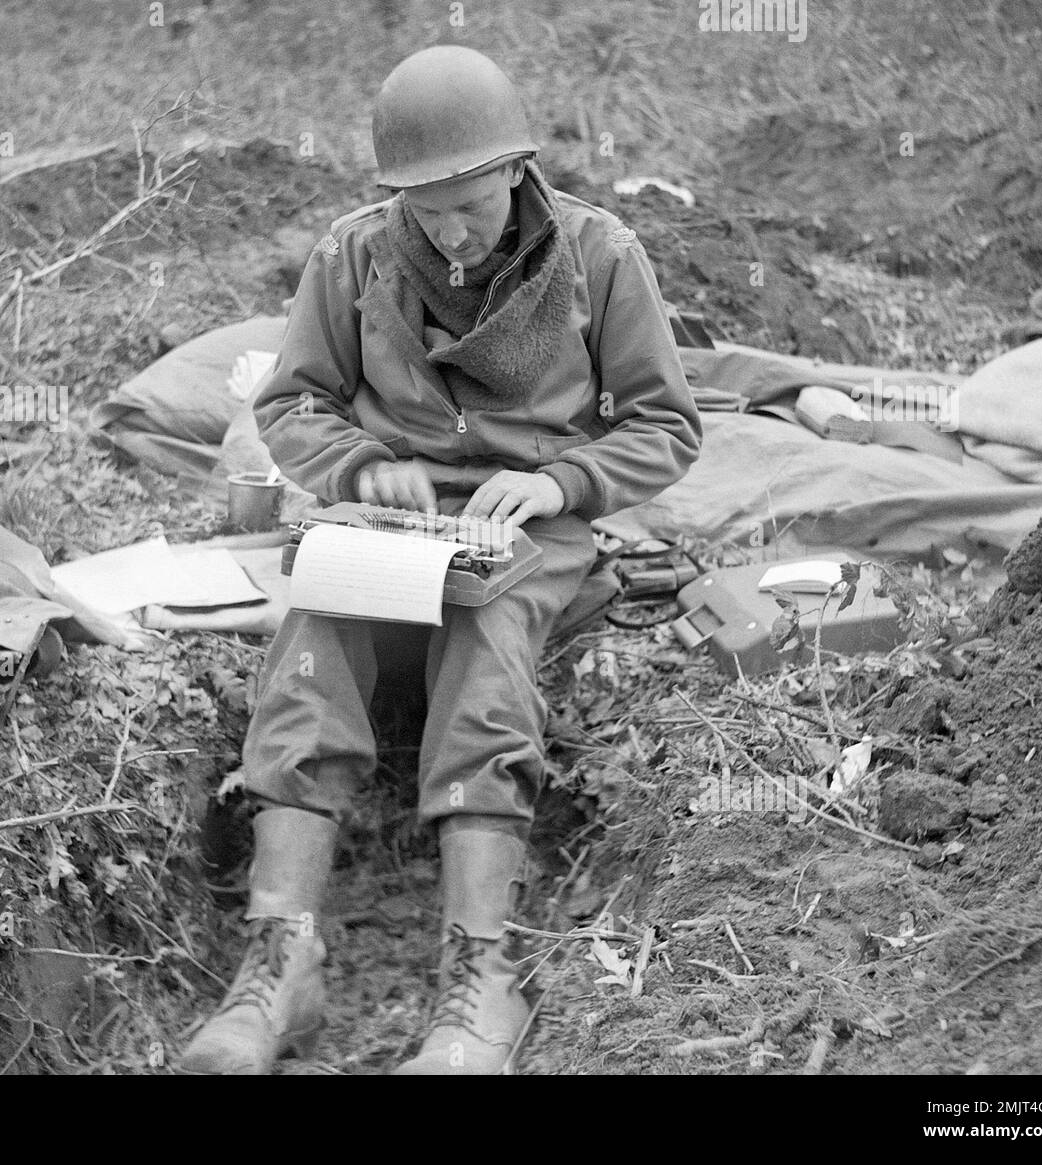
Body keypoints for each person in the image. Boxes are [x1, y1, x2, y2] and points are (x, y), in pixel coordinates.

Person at [181, 44, 701, 1075]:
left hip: (530, 529)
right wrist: (362, 463)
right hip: (391, 523)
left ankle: (482, 978)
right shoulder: (356, 252)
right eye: (427, 208)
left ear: (515, 169)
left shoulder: (599, 253)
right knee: (315, 624)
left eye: (470, 202)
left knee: (488, 623)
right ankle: (281, 962)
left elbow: (665, 425)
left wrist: (559, 484)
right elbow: (290, 402)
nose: (451, 230)